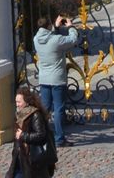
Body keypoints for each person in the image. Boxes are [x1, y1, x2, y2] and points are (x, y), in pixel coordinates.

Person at [33, 13, 76, 147]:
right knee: (58, 109)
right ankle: (59, 138)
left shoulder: (36, 39)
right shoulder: (56, 40)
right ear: (49, 26)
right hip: (57, 79)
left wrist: (55, 28)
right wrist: (70, 26)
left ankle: (41, 134)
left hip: (44, 79)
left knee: (45, 108)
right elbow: (72, 39)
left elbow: (49, 37)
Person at [11, 85, 55, 178]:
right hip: (20, 157)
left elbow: (40, 134)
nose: (17, 104)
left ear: (26, 102)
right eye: (16, 102)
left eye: (19, 102)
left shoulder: (35, 115)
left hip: (31, 158)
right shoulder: (19, 115)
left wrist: (23, 135)